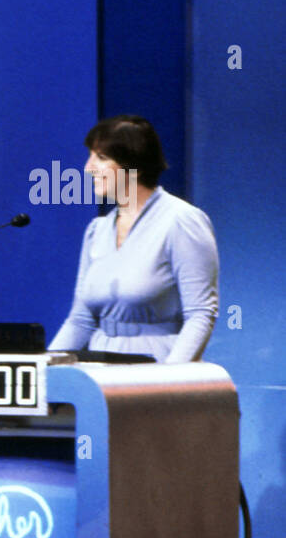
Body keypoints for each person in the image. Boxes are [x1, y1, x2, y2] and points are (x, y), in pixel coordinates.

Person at [49, 115, 218, 363]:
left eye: (102, 158)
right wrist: (42, 373)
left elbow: (201, 314)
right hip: (99, 367)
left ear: (134, 166)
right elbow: (81, 319)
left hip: (157, 364)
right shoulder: (97, 230)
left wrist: (170, 379)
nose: (88, 168)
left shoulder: (181, 221)